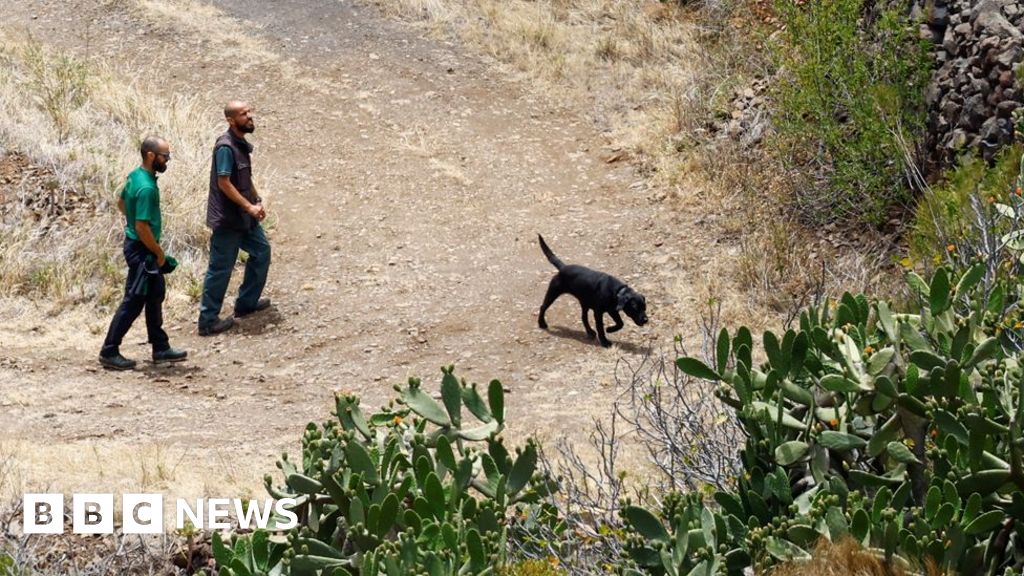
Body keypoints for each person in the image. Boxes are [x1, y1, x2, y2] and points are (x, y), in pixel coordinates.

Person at [98, 136, 188, 370]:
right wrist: (158, 253)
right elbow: (141, 226)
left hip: (137, 245)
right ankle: (109, 350)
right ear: (151, 156)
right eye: (165, 156)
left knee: (155, 293)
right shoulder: (147, 187)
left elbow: (121, 204)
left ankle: (160, 347)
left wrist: (133, 223)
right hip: (143, 250)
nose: (167, 160)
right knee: (134, 300)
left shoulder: (135, 176)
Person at [197, 100, 272, 336]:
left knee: (262, 252)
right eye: (243, 114)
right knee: (220, 268)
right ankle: (208, 320)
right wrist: (249, 207)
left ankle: (246, 304)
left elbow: (244, 176)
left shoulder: (239, 144)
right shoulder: (226, 147)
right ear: (231, 120)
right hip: (229, 220)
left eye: (250, 111)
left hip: (244, 217)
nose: (249, 116)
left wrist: (256, 199)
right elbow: (224, 182)